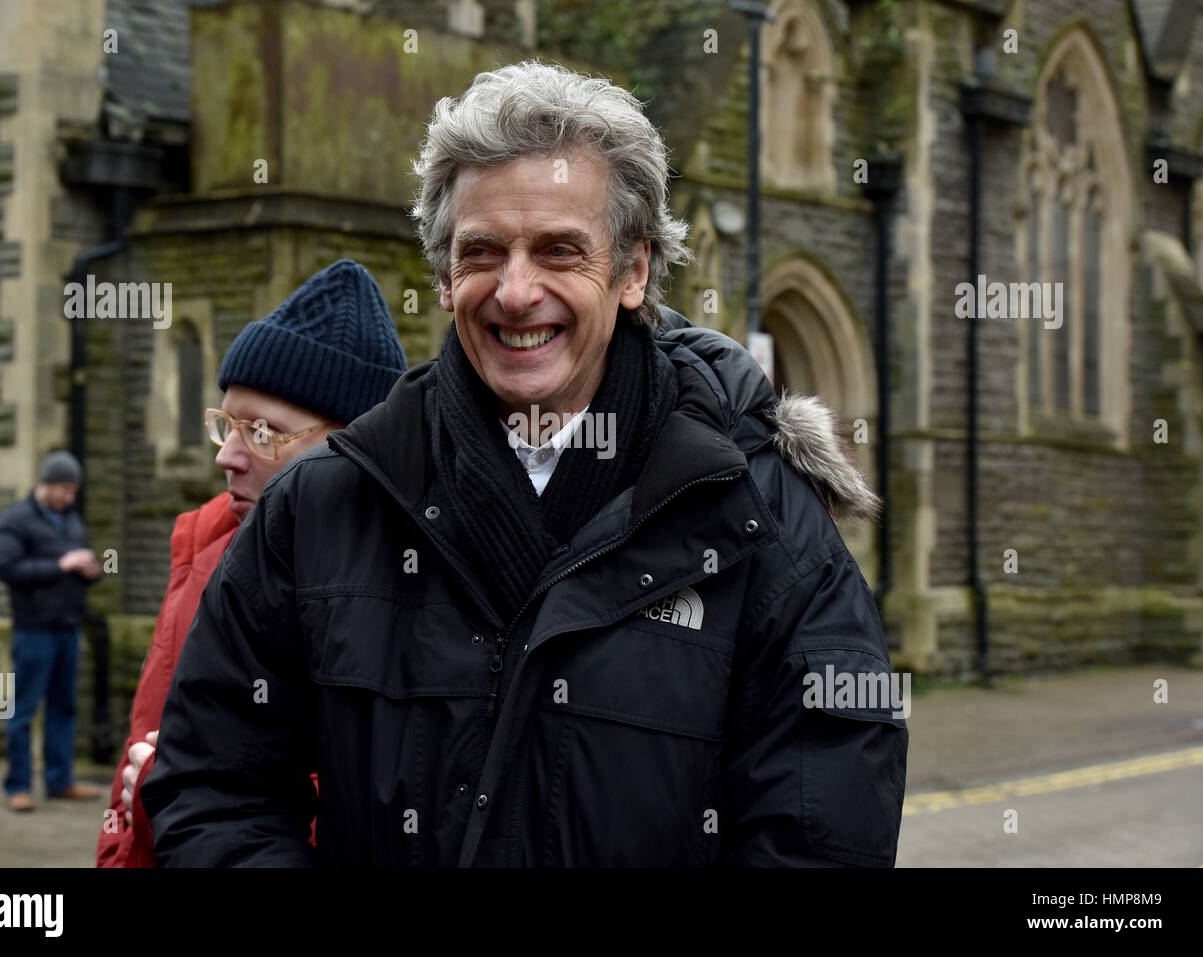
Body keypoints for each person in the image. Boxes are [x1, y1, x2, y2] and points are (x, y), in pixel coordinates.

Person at [142, 60, 908, 866]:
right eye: (482, 252)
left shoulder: (763, 521)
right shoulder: (320, 507)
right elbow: (213, 791)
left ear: (634, 272)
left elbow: (824, 838)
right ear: (443, 276)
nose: (514, 291)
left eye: (558, 251)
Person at [95, 258, 408, 866]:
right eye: (226, 426)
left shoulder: (409, 580)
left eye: (262, 433)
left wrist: (178, 782)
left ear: (351, 443)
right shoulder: (203, 549)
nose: (228, 458)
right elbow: (134, 772)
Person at [0, 451, 104, 811]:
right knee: (24, 709)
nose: (70, 499)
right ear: (48, 484)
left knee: (64, 707)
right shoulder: (16, 519)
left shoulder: (71, 520)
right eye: (66, 491)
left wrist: (91, 570)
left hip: (68, 628)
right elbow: (8, 568)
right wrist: (60, 564)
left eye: (74, 492)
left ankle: (60, 780)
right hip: (33, 630)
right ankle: (18, 786)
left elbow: (79, 566)